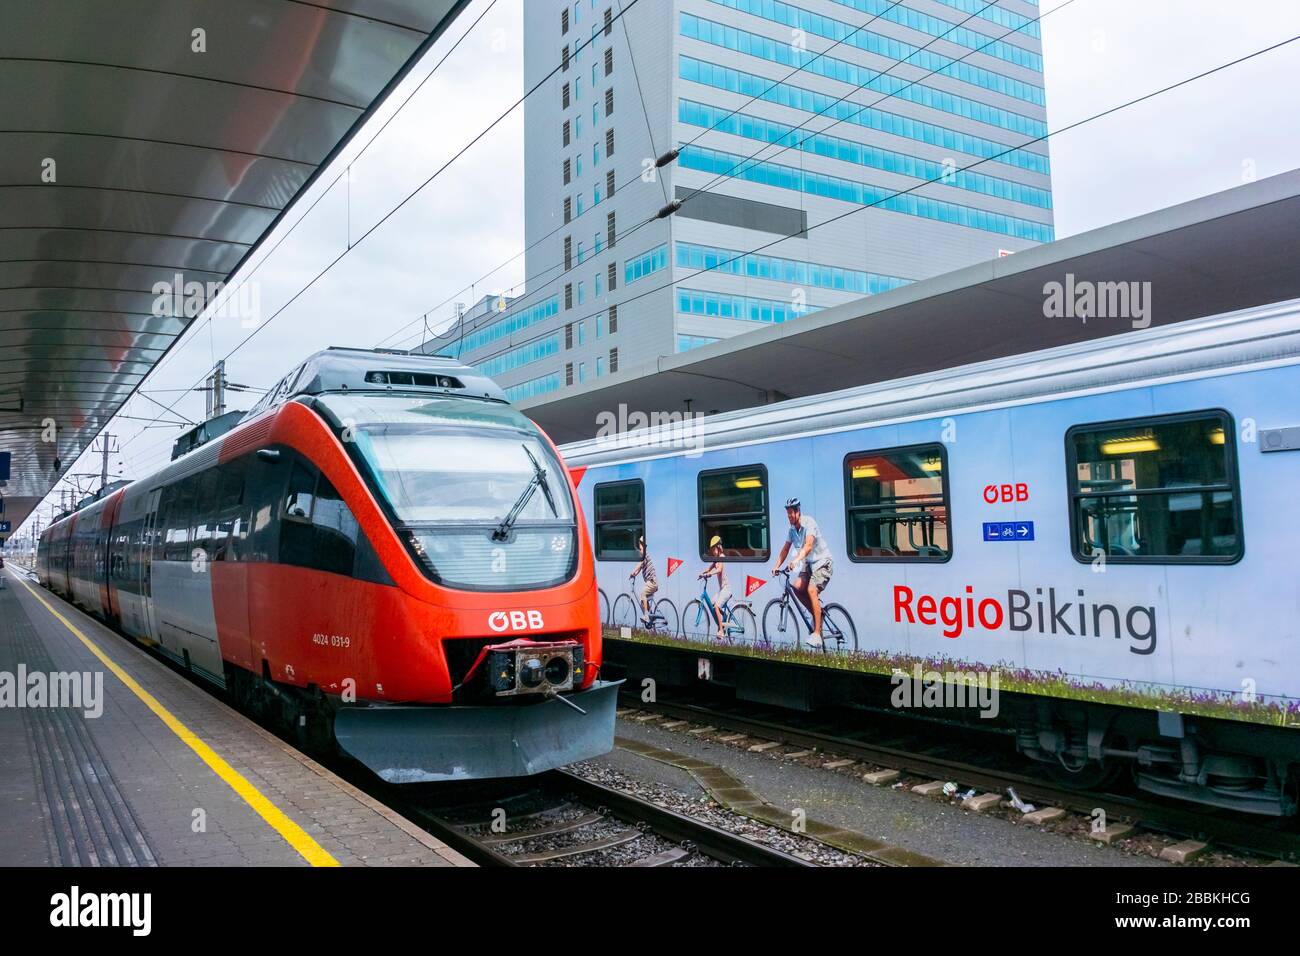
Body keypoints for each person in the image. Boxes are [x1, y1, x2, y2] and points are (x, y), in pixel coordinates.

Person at [771, 497, 833, 647]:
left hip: (823, 562)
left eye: (791, 513)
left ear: (798, 511)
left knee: (811, 590)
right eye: (787, 514)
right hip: (809, 565)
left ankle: (817, 634)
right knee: (797, 587)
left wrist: (796, 560)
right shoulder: (792, 530)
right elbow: (785, 549)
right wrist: (776, 566)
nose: (789, 517)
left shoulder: (809, 523)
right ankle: (817, 613)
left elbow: (809, 546)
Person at [699, 535, 732, 640]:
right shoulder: (716, 560)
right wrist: (703, 573)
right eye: (711, 549)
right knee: (713, 603)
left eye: (713, 548)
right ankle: (724, 618)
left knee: (717, 606)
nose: (712, 551)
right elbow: (709, 568)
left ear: (718, 547)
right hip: (721, 590)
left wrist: (710, 574)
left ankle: (721, 630)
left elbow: (719, 570)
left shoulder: (721, 557)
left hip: (726, 589)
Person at [629, 535, 658, 626]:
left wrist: (632, 571)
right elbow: (640, 568)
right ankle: (649, 617)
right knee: (643, 601)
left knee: (642, 593)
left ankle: (646, 616)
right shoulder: (644, 555)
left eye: (640, 544)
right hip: (651, 582)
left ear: (640, 544)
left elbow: (639, 564)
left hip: (652, 582)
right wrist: (634, 574)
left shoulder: (644, 554)